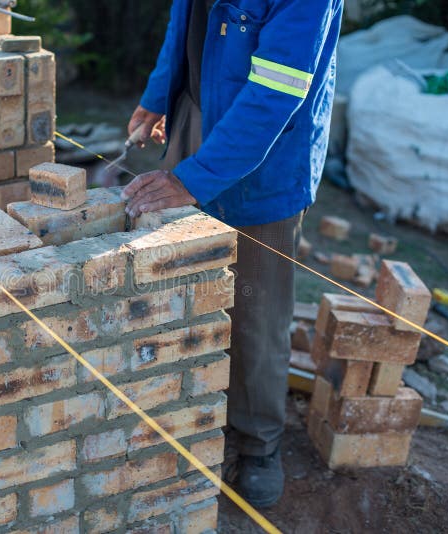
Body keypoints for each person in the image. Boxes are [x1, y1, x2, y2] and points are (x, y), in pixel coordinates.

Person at [121, 0, 344, 508]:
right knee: (173, 288)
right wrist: (160, 95)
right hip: (195, 120)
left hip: (265, 150)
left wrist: (191, 180)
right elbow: (184, 21)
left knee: (256, 315)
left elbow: (274, 93)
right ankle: (188, 419)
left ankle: (258, 443)